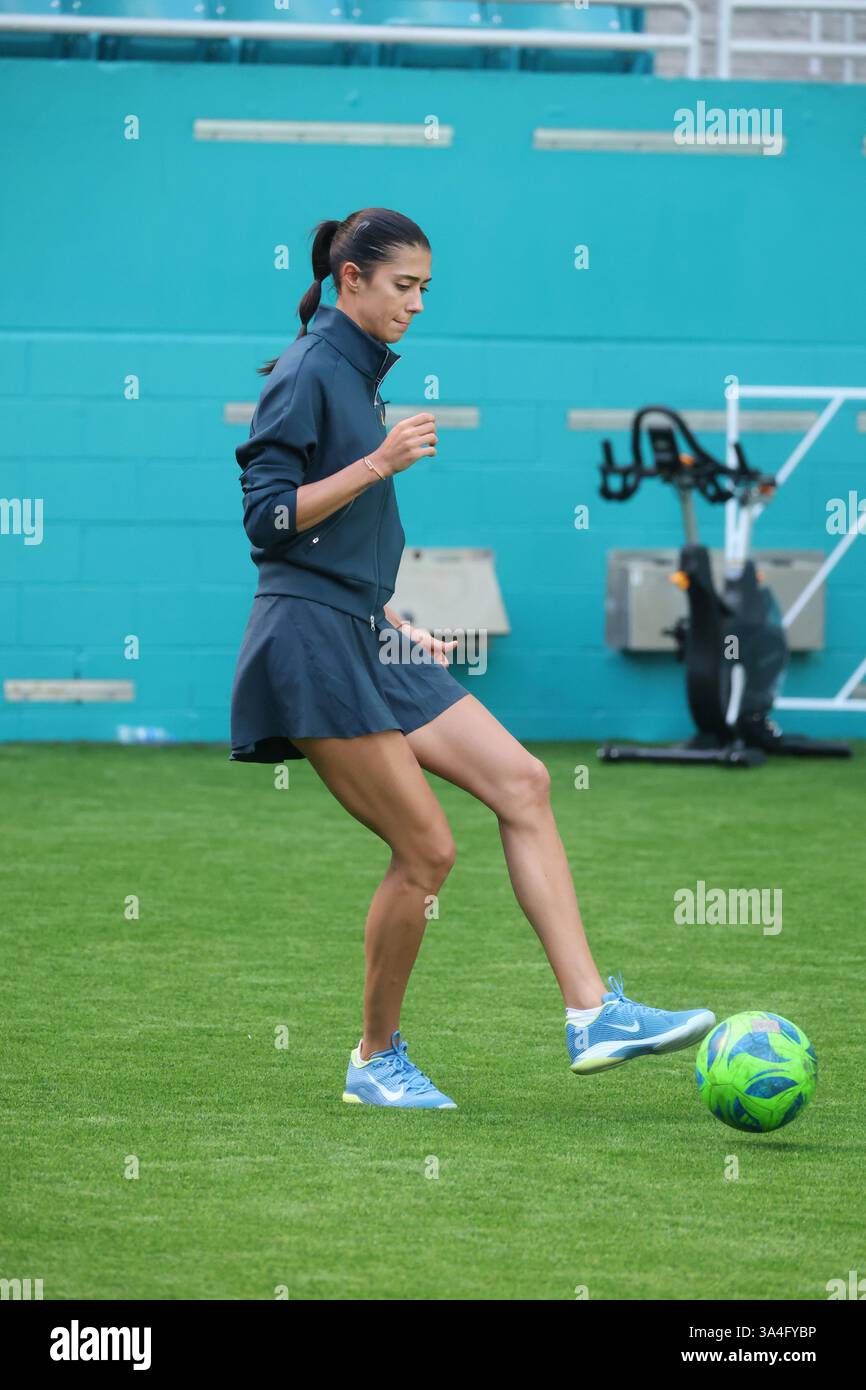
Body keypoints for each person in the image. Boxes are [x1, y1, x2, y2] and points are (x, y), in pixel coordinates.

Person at [229, 207, 715, 1109]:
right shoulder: (307, 370)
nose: (416, 304)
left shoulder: (357, 371)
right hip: (308, 643)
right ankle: (375, 1059)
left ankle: (592, 1013)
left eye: (424, 288)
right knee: (427, 850)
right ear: (352, 280)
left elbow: (334, 540)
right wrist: (379, 463)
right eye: (403, 285)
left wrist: (392, 613)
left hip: (366, 630)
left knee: (525, 783)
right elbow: (267, 521)